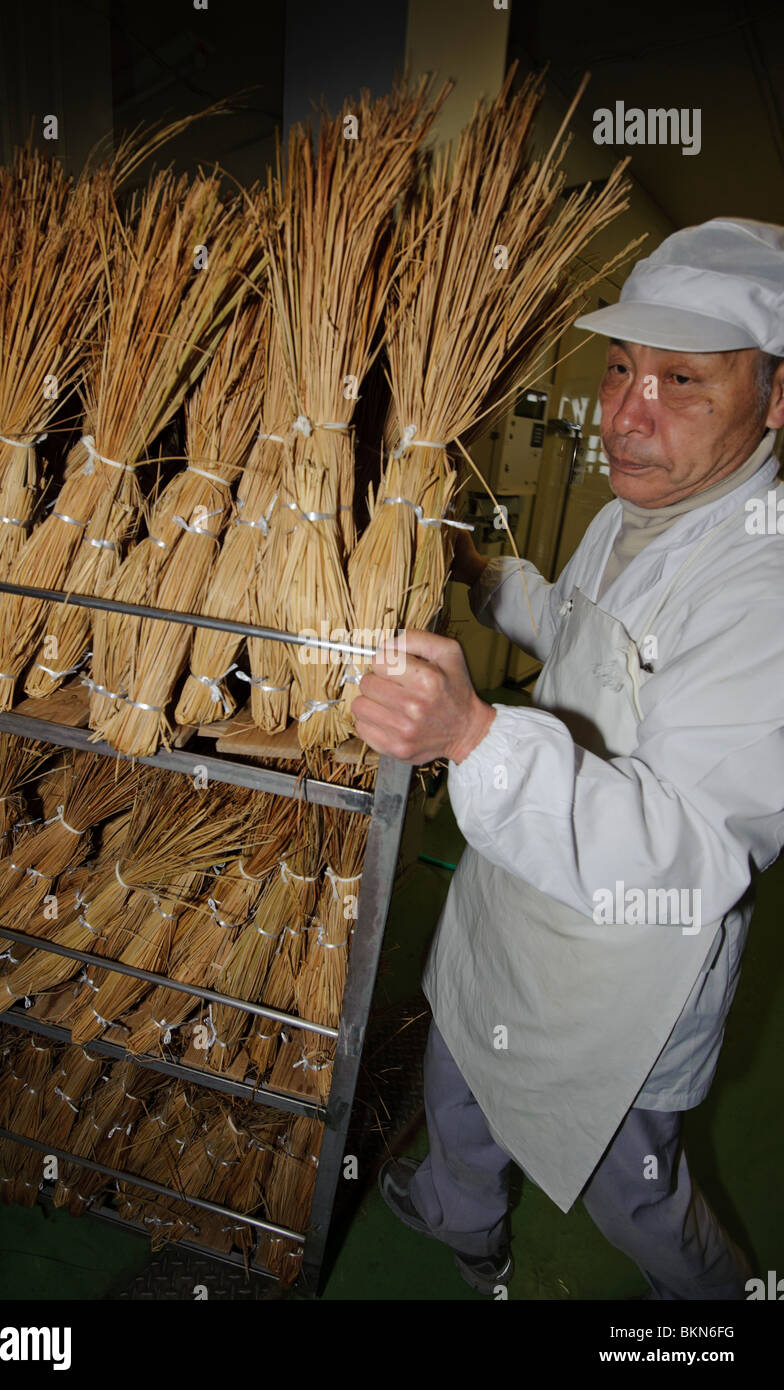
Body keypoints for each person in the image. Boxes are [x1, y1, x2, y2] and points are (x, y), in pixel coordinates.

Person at [351, 218, 784, 1299]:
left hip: (617, 973)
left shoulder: (762, 586)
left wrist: (469, 737)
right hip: (514, 904)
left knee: (630, 1184)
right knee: (459, 1069)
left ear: (777, 399)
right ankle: (463, 1216)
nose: (627, 414)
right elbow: (584, 630)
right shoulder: (648, 506)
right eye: (623, 368)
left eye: (683, 380)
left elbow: (689, 847)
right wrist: (475, 570)